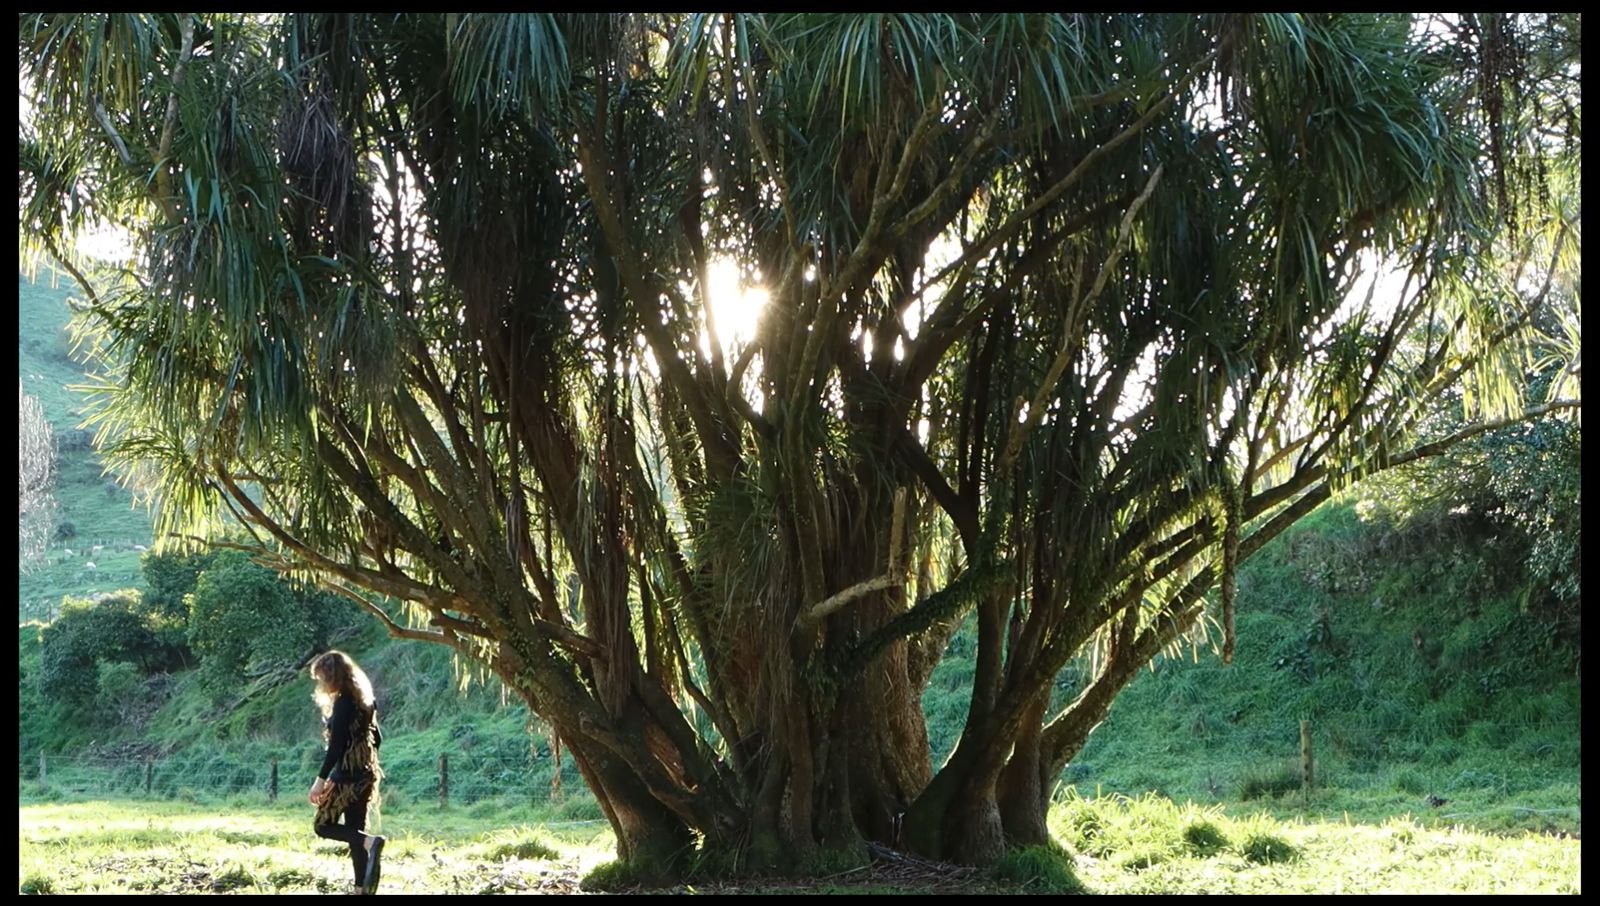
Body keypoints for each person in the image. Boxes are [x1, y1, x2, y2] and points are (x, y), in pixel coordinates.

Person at [308, 650, 387, 894]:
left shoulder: (343, 702)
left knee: (323, 826)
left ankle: (373, 842)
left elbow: (336, 747)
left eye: (322, 678)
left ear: (333, 676)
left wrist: (322, 780)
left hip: (348, 777)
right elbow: (377, 738)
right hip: (365, 774)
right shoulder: (365, 700)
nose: (321, 683)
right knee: (355, 831)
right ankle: (361, 888)